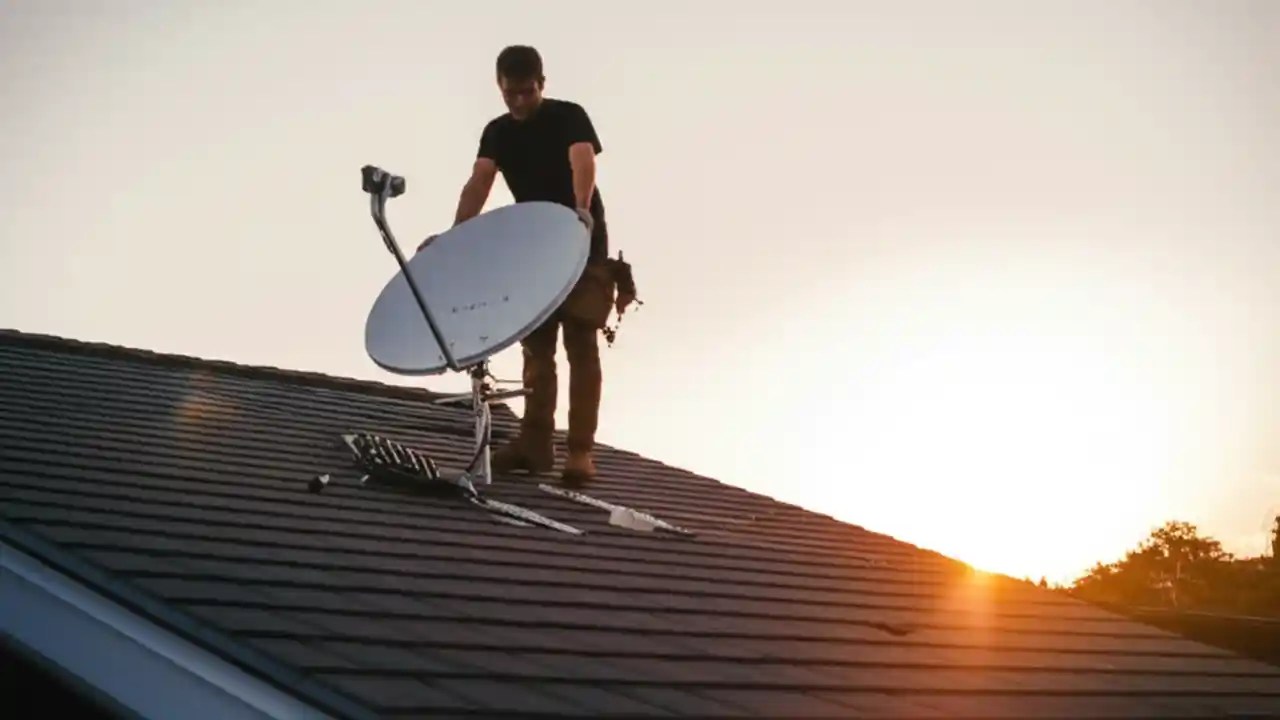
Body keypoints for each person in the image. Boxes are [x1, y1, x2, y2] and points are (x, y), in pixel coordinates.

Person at [425, 45, 617, 484]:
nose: (518, 101)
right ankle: (534, 445)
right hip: (534, 248)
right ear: (500, 87)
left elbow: (582, 160)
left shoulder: (569, 116)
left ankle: (581, 453)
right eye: (510, 93)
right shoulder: (498, 132)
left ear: (542, 85)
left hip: (582, 237)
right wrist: (455, 236)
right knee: (536, 347)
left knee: (581, 344)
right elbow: (480, 181)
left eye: (527, 93)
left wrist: (581, 208)